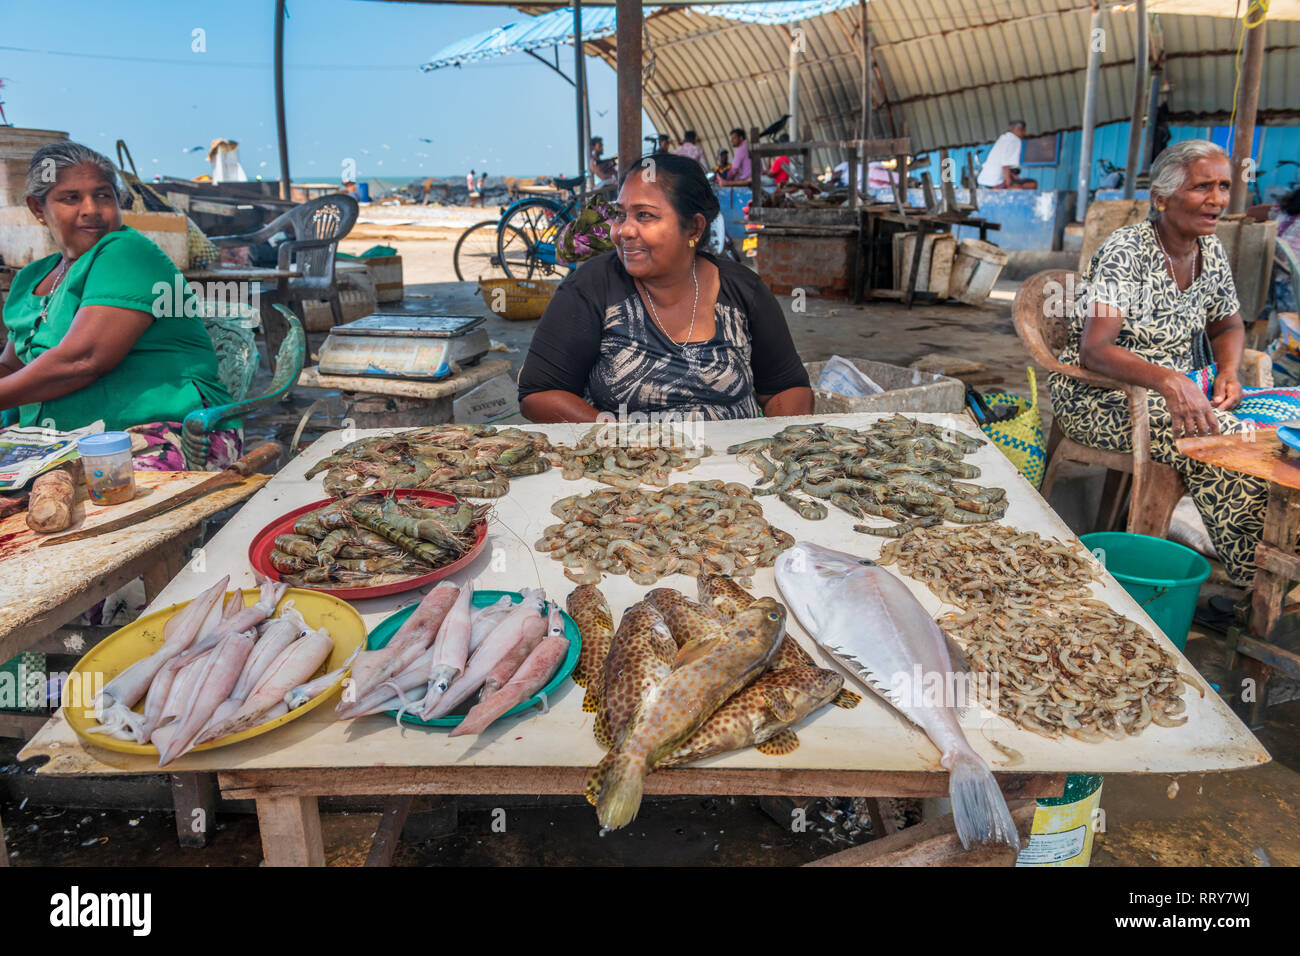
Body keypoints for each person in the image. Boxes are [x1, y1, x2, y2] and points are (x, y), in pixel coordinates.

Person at [1048, 140, 1300, 586]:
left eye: (1223, 186)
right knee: (1222, 443)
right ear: (1161, 198)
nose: (1218, 199)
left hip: (1180, 392)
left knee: (1280, 434)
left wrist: (1226, 372)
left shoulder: (1211, 250)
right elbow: (1096, 349)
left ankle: (1282, 563)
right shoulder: (1128, 250)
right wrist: (1170, 380)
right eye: (1203, 187)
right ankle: (1256, 586)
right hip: (1102, 397)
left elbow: (1228, 326)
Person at [518, 153, 812, 423]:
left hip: (733, 470)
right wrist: (619, 439)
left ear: (694, 228)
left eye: (644, 215)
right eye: (621, 215)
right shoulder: (590, 287)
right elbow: (538, 394)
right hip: (624, 470)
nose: (624, 231)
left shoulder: (742, 289)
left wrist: (779, 447)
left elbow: (785, 388)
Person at [0, 141, 237, 468]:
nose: (91, 209)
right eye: (71, 198)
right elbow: (12, 367)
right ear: (38, 209)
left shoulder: (126, 251)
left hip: (165, 432)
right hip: (66, 438)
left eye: (103, 195)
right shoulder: (32, 276)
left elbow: (83, 360)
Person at [977, 121, 1037, 189]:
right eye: (1024, 131)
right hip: (996, 182)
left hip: (984, 181)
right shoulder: (1015, 140)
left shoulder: (1003, 138)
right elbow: (1006, 165)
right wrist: (1010, 184)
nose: (1024, 134)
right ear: (1020, 129)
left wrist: (1014, 177)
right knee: (1032, 184)